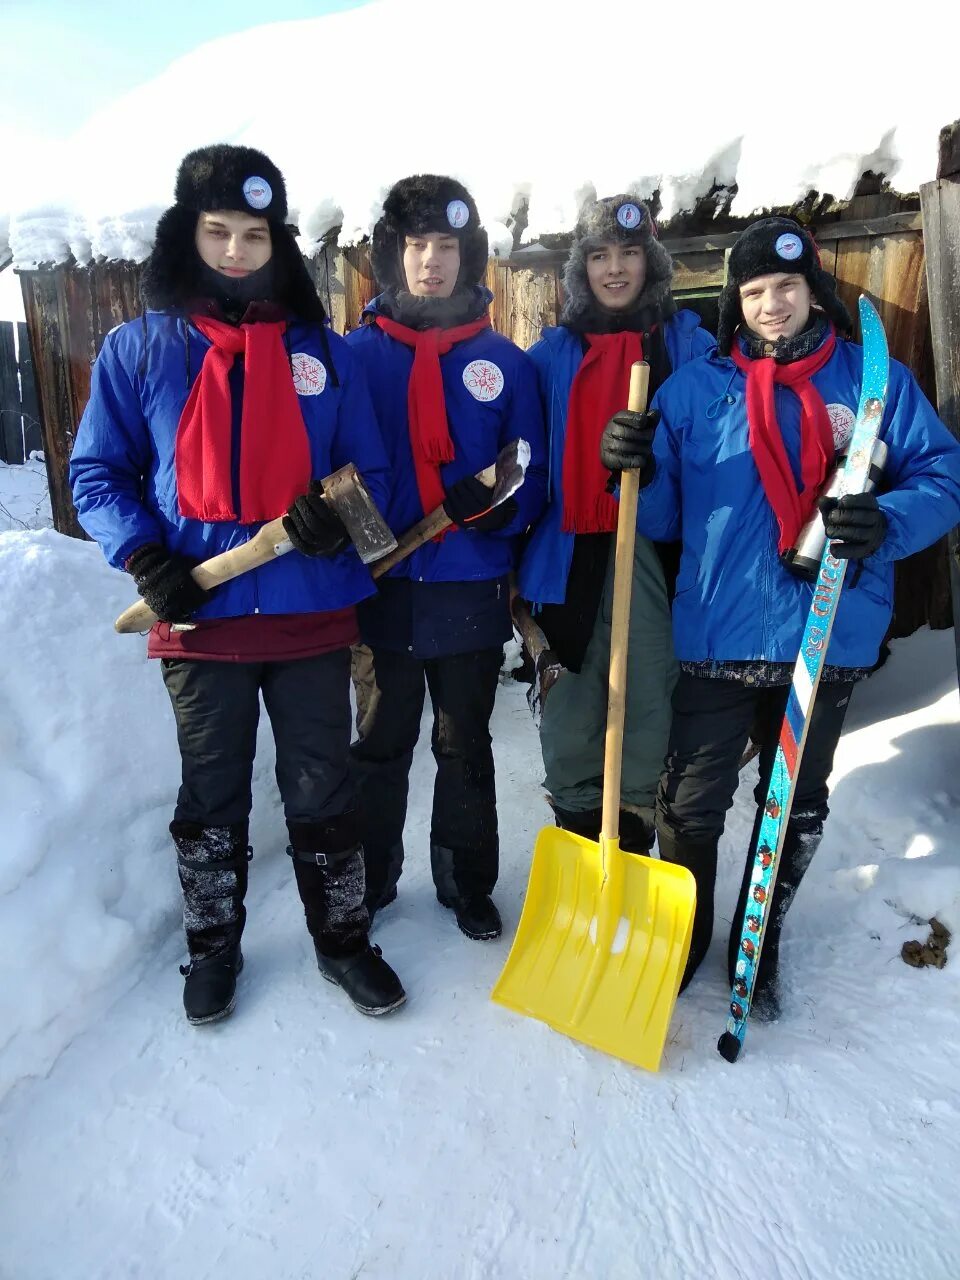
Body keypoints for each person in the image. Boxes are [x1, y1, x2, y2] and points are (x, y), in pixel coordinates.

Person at [70, 144, 405, 1025]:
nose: (233, 251)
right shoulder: (139, 349)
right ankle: (212, 949)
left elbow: (371, 473)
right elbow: (99, 474)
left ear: (277, 244)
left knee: (322, 787)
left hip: (309, 615)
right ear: (187, 234)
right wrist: (145, 556)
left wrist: (337, 515)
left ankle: (343, 940)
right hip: (201, 616)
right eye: (216, 231)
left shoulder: (322, 355)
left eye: (253, 235)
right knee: (210, 795)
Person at [607, 215, 960, 1016]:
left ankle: (757, 941)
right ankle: (687, 930)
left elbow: (944, 474)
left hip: (824, 632)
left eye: (787, 288)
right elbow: (658, 517)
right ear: (736, 301)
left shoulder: (873, 384)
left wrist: (889, 520)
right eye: (756, 290)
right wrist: (627, 462)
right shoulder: (695, 389)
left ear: (814, 292)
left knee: (794, 803)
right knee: (689, 802)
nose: (772, 305)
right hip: (716, 634)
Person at [345, 174, 547, 941]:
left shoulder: (506, 363)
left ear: (471, 258)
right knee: (382, 743)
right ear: (393, 256)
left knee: (463, 743)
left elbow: (530, 473)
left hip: (467, 584)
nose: (432, 261)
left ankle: (467, 882)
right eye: (417, 246)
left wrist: (491, 509)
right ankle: (371, 880)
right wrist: (369, 546)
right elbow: (330, 467)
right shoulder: (354, 357)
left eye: (448, 247)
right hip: (382, 587)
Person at [516, 195, 715, 848]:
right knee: (571, 705)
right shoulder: (550, 356)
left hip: (652, 550)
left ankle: (629, 839)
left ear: (650, 262)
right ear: (582, 268)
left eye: (630, 253)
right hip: (568, 549)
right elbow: (526, 465)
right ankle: (577, 835)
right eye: (600, 255)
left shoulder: (690, 346)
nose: (616, 268)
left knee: (646, 701)